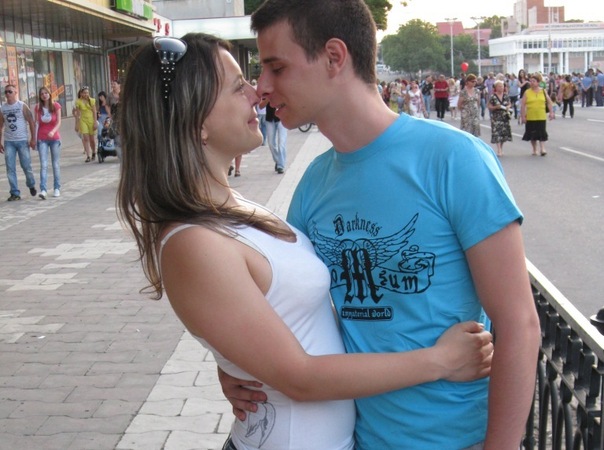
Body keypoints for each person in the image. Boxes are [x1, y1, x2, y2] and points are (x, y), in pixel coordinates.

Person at [117, 32, 493, 450]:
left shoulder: (228, 209)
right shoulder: (193, 242)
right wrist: (440, 361)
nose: (256, 92)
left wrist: (236, 360)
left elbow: (280, 319)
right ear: (196, 122)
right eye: (238, 86)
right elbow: (299, 377)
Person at [221, 1, 541, 449]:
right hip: (355, 437)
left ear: (334, 57)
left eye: (277, 68)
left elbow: (519, 324)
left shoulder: (454, 159)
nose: (263, 87)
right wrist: (234, 367)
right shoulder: (313, 183)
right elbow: (290, 310)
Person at [0, 84, 37, 201]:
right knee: (10, 168)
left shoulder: (22, 106)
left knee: (26, 166)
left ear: (15, 92)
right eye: (6, 92)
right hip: (9, 142)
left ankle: (31, 184)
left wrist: (33, 139)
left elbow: (31, 122)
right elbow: (0, 126)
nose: (7, 94)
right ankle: (15, 192)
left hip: (22, 141)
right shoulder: (2, 108)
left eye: (10, 91)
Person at [34, 87, 62, 199]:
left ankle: (57, 188)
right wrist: (34, 139)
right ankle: (43, 190)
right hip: (42, 138)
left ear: (50, 94)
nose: (44, 95)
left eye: (46, 93)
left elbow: (59, 122)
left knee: (55, 164)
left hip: (54, 138)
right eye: (42, 94)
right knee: (43, 164)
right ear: (40, 96)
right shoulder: (38, 107)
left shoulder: (56, 106)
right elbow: (36, 123)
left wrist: (53, 131)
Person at [520, 72, 555, 156]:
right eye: (531, 81)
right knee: (532, 134)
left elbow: (549, 102)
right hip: (530, 116)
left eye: (534, 81)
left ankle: (542, 148)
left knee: (542, 133)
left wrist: (551, 112)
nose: (532, 83)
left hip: (541, 116)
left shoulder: (543, 91)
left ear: (538, 82)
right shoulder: (527, 92)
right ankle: (534, 149)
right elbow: (523, 105)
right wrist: (523, 116)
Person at [487, 80, 513, 157]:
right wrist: (495, 107)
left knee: (503, 133)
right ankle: (499, 149)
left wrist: (508, 106)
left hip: (504, 117)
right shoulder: (493, 96)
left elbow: (509, 104)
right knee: (497, 133)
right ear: (496, 87)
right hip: (496, 117)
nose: (501, 88)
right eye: (499, 86)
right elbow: (489, 106)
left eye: (502, 86)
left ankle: (501, 147)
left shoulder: (506, 96)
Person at [73, 86, 97, 162]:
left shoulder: (92, 100)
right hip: (83, 120)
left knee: (92, 139)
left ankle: (93, 152)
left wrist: (95, 122)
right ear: (81, 93)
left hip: (91, 120)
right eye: (84, 93)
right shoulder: (78, 102)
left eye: (87, 93)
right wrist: (77, 124)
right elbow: (78, 114)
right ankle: (88, 155)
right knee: (85, 138)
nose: (86, 94)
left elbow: (94, 112)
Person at [265, 103, 287, 173]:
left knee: (281, 143)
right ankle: (278, 160)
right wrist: (267, 99)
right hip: (270, 119)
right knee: (271, 143)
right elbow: (260, 106)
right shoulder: (266, 96)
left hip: (282, 119)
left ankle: (280, 166)